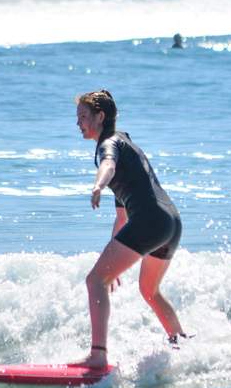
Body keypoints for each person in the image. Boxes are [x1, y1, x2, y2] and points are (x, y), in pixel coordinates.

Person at [72, 90, 187, 369]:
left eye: (83, 117)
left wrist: (98, 184)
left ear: (100, 117)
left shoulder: (108, 145)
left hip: (150, 221)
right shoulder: (127, 143)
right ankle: (182, 346)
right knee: (149, 290)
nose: (78, 123)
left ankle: (98, 355)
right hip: (170, 222)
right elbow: (122, 218)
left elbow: (108, 165)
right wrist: (112, 259)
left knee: (93, 281)